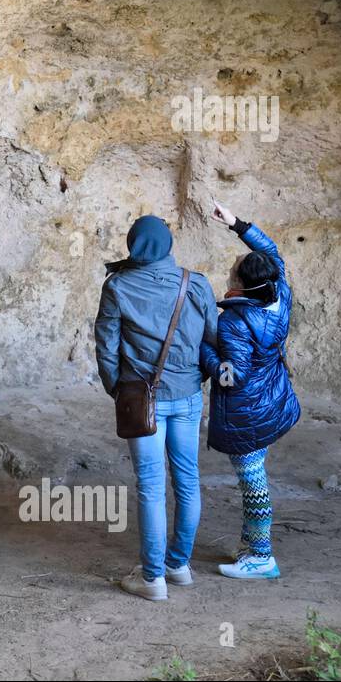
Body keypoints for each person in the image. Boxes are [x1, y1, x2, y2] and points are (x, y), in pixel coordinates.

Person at [95, 216, 219, 601]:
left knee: (150, 487)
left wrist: (119, 390)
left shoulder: (117, 287)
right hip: (187, 396)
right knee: (188, 480)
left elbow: (105, 346)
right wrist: (196, 376)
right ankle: (177, 565)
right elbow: (213, 338)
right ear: (167, 244)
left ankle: (152, 579)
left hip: (142, 398)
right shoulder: (194, 283)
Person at [199, 202, 301, 580]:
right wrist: (237, 225)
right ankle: (249, 546)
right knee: (255, 475)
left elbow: (230, 376)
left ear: (240, 284)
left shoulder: (235, 321)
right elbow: (272, 253)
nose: (232, 267)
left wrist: (202, 347)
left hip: (247, 412)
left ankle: (261, 556)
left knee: (253, 481)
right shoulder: (280, 294)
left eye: (234, 268)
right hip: (272, 400)